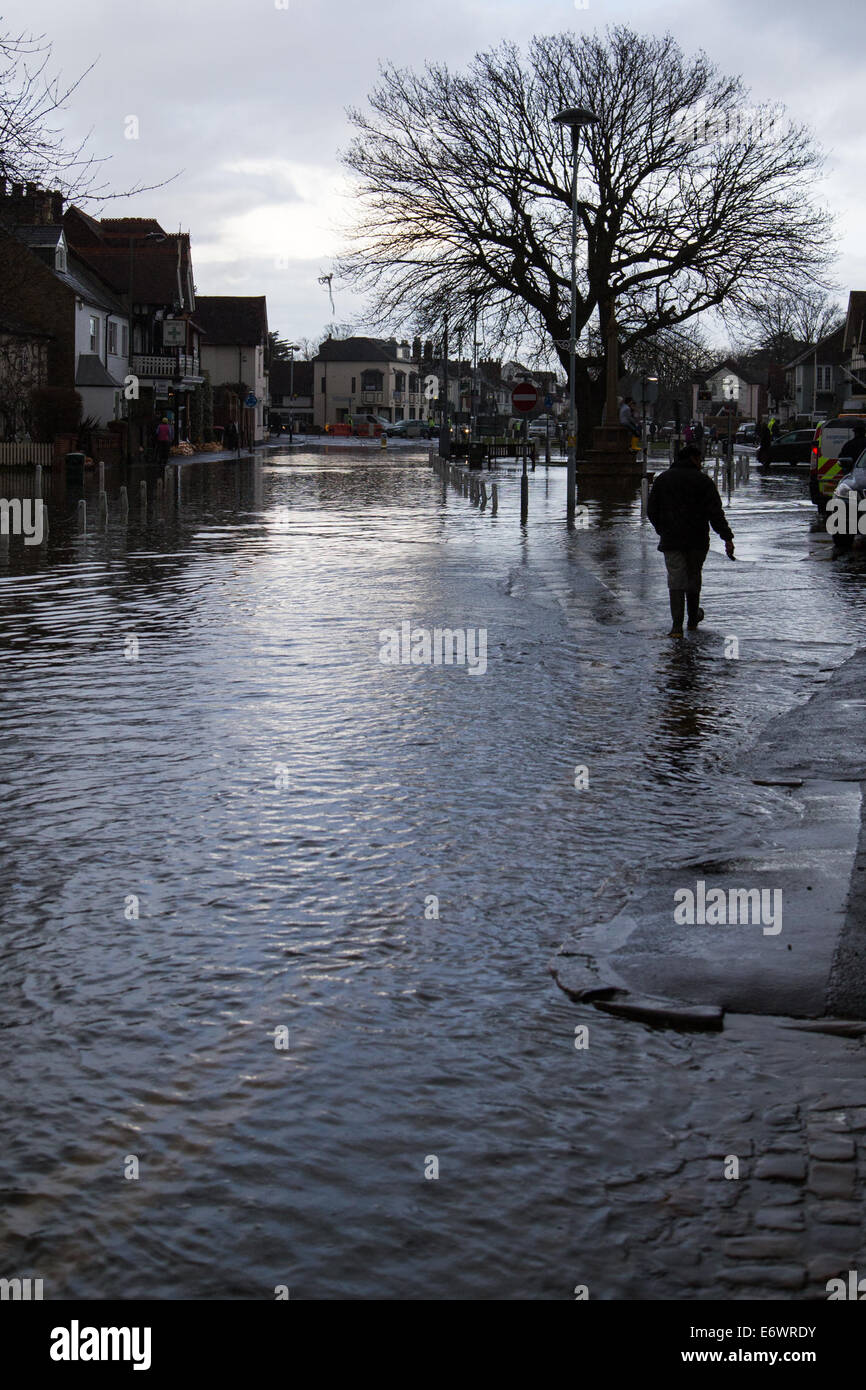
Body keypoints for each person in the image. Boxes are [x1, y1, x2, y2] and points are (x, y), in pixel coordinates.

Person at [647, 443, 735, 637]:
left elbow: (651, 510)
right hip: (697, 539)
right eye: (700, 459)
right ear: (694, 459)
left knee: (676, 579)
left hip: (671, 539)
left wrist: (662, 529)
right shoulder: (703, 481)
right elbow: (715, 514)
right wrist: (727, 537)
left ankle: (676, 627)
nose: (701, 463)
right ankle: (693, 620)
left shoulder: (663, 480)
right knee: (694, 576)